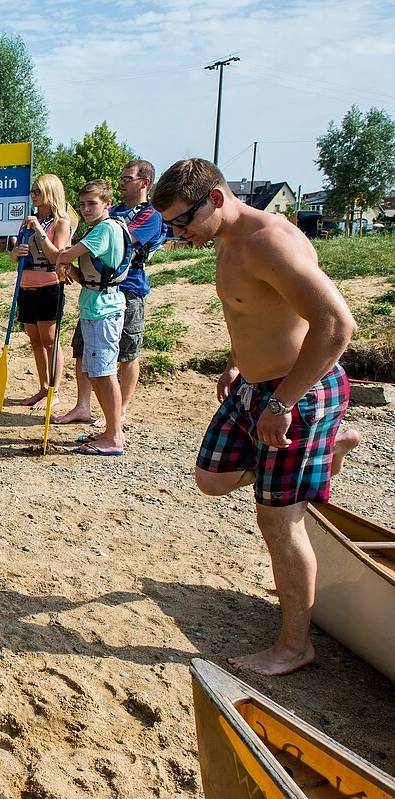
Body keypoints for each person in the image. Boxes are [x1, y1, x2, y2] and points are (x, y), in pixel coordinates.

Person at [152, 158, 359, 676]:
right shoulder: (224, 237)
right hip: (254, 386)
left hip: (297, 392)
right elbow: (255, 311)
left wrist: (283, 402)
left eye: (182, 222)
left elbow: (337, 326)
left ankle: (294, 647)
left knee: (278, 521)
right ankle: (319, 461)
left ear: (216, 200)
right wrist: (237, 363)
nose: (177, 234)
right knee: (211, 477)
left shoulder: (270, 241)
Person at [55, 160, 166, 427]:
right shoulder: (111, 212)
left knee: (126, 353)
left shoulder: (150, 216)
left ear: (145, 182)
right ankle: (83, 406)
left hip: (128, 288)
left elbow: (118, 242)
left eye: (128, 178)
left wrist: (69, 255)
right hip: (93, 290)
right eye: (121, 178)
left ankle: (120, 412)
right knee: (83, 350)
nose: (122, 183)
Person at [55, 179, 131, 456]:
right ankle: (109, 431)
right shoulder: (98, 230)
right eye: (83, 204)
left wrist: (56, 254)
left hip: (105, 311)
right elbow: (80, 273)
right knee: (95, 373)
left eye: (92, 204)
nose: (86, 209)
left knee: (105, 373)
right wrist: (65, 267)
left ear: (107, 204)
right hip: (94, 305)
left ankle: (114, 437)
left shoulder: (104, 230)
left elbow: (65, 254)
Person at [8, 174, 75, 410]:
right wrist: (17, 252)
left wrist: (40, 231)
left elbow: (57, 256)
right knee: (35, 340)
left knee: (49, 340)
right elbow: (13, 256)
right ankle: (43, 387)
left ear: (49, 192)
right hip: (26, 287)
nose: (32, 194)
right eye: (32, 191)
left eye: (37, 191)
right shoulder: (28, 221)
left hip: (49, 286)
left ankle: (54, 391)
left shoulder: (61, 222)